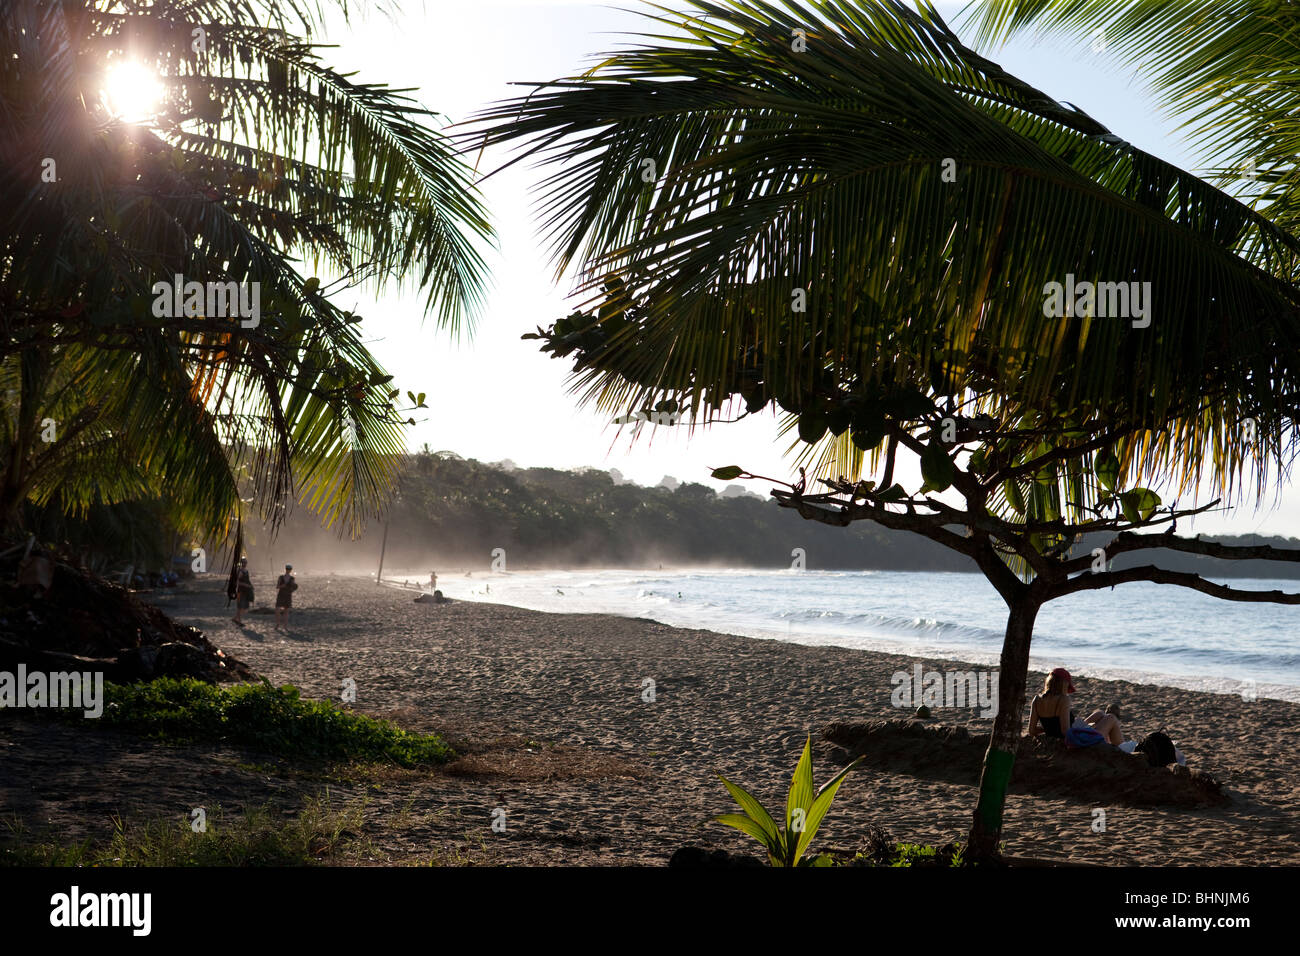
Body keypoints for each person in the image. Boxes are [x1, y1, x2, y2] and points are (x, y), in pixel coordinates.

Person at [1027, 667, 1075, 739]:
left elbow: (1031, 730)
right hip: (1067, 738)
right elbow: (1065, 731)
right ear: (1064, 684)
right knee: (1097, 721)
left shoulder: (1036, 699)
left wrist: (1047, 730)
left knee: (1097, 714)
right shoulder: (1063, 699)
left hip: (1050, 734)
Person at [276, 563, 298, 630]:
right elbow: (277, 586)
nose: (288, 570)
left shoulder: (292, 578)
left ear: (291, 570)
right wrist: (282, 586)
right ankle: (278, 624)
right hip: (281, 595)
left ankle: (285, 626)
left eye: (289, 569)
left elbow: (294, 587)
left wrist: (291, 590)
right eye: (287, 569)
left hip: (288, 595)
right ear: (285, 569)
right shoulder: (281, 577)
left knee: (286, 611)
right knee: (277, 610)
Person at [232, 557, 252, 626]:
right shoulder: (240, 571)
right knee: (240, 607)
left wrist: (250, 586)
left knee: (244, 607)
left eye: (245, 562)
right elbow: (237, 582)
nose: (244, 564)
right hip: (240, 591)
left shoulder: (246, 571)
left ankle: (235, 618)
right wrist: (245, 584)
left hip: (246, 591)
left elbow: (247, 580)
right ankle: (239, 621)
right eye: (243, 562)